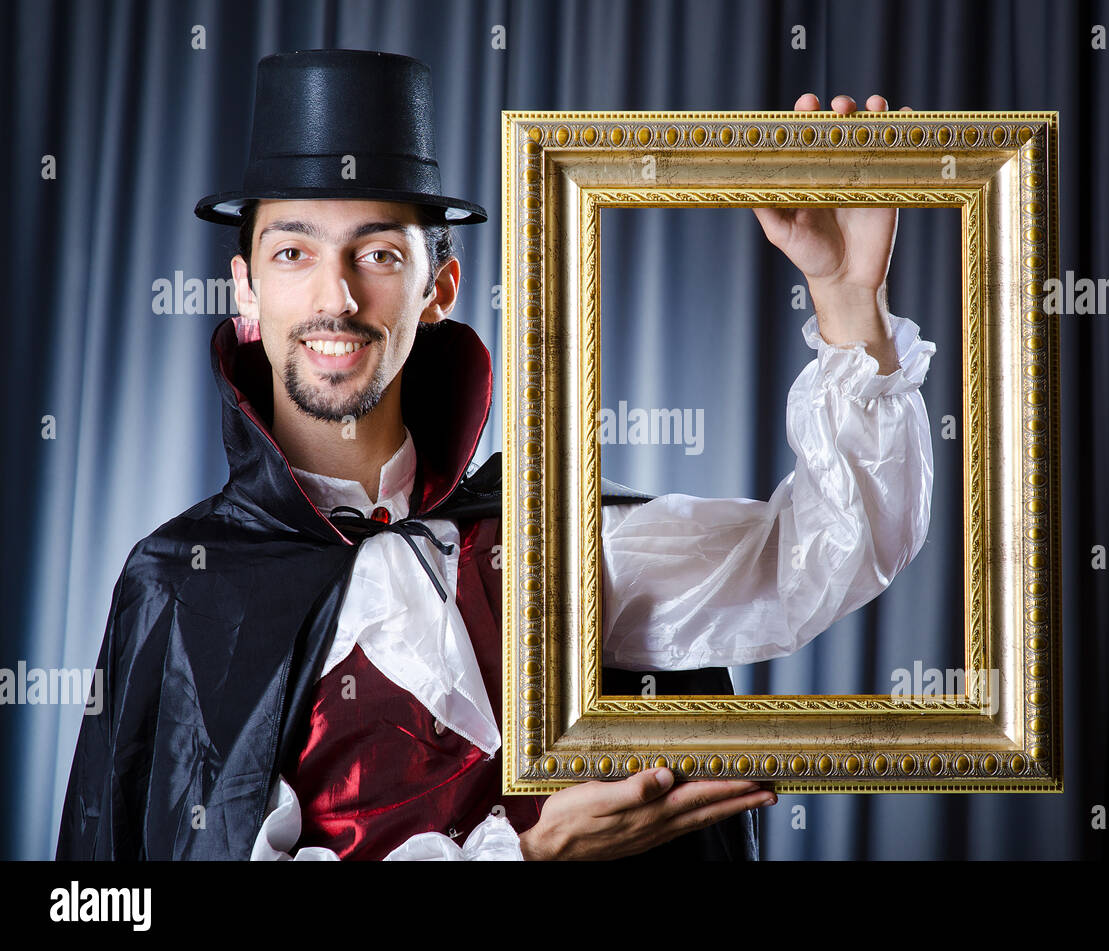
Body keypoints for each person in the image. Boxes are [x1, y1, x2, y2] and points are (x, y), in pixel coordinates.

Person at [56, 50, 935, 861]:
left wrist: (844, 296)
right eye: (293, 252)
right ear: (246, 289)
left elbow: (828, 551)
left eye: (378, 252)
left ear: (438, 288)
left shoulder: (549, 534)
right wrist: (528, 854)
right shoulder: (180, 585)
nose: (336, 293)